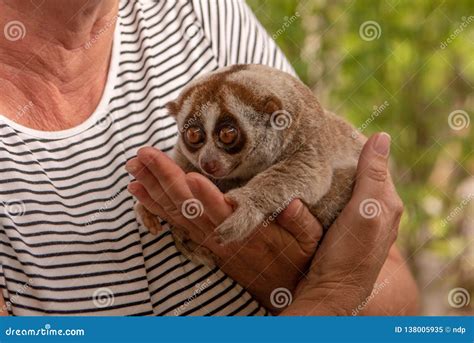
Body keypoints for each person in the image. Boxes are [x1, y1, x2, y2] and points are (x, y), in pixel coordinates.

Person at [0, 0, 418, 316]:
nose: (209, 162)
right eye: (195, 139)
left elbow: (396, 297)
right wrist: (327, 294)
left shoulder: (202, 14)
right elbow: (350, 281)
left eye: (228, 137)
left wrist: (287, 270)